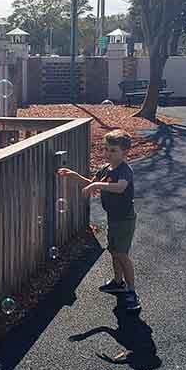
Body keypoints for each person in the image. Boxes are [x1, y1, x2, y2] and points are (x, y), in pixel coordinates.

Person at [58, 129, 139, 310]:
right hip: (113, 218)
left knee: (121, 254)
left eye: (113, 150)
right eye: (106, 149)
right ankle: (118, 283)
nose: (108, 153)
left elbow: (119, 187)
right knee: (113, 251)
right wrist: (73, 175)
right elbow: (90, 182)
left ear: (124, 153)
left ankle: (132, 291)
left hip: (125, 219)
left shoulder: (125, 171)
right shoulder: (105, 169)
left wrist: (96, 185)